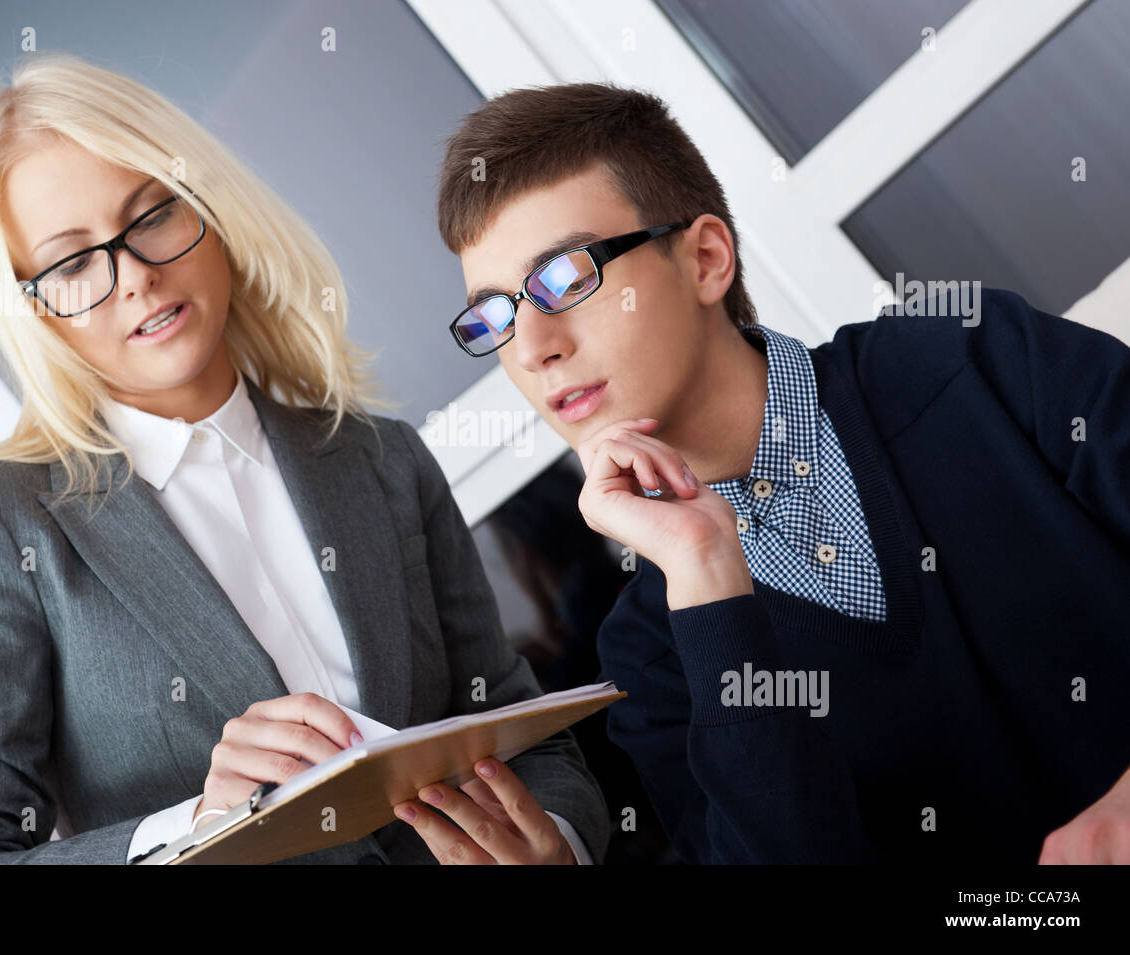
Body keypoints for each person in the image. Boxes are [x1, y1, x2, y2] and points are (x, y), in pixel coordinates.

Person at [0, 53, 609, 865]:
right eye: (72, 263)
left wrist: (562, 847)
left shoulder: (381, 461)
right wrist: (197, 825)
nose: (135, 276)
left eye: (152, 215)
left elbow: (525, 735)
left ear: (207, 204)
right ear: (32, 309)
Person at [432, 81, 1130, 863]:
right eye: (493, 317)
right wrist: (705, 574)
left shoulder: (973, 361)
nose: (532, 348)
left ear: (705, 259)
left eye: (564, 279)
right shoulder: (654, 653)